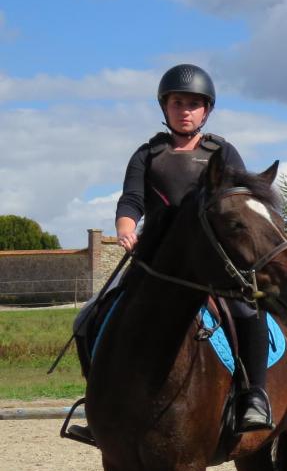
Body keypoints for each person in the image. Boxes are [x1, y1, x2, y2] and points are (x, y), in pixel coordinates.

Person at [68, 64, 270, 445]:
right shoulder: (149, 154)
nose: (185, 110)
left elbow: (241, 202)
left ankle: (253, 396)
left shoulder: (222, 152)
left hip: (212, 261)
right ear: (165, 107)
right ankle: (102, 407)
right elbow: (131, 199)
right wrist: (126, 226)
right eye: (178, 102)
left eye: (194, 104)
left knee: (248, 311)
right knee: (88, 318)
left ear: (206, 110)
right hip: (157, 261)